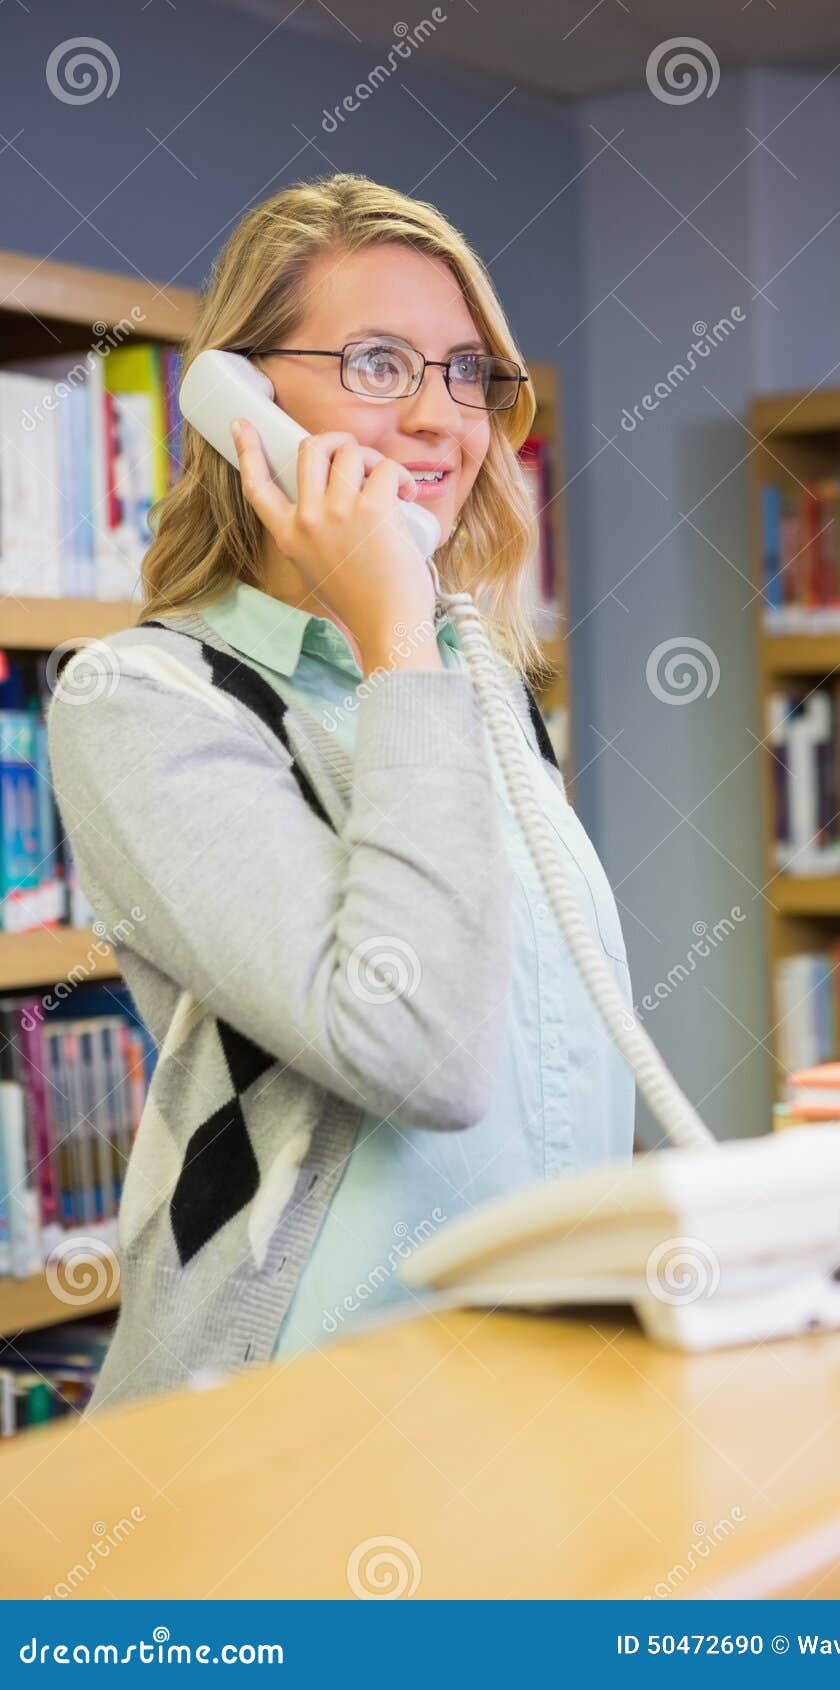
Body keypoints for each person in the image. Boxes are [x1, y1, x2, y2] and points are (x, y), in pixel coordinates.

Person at [47, 172, 635, 1415]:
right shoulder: (145, 697)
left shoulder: (474, 685)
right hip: (309, 1403)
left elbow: (559, 1069)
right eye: (377, 362)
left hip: (531, 1381)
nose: (441, 417)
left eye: (468, 371)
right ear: (238, 404)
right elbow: (416, 1050)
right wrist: (392, 643)